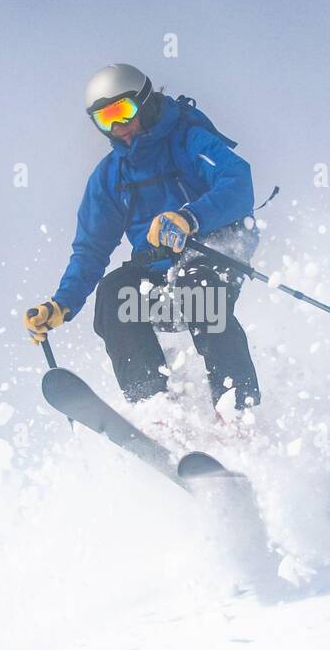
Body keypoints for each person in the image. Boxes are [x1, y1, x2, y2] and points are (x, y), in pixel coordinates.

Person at [24, 62, 262, 410]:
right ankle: (156, 409)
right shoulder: (110, 176)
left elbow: (238, 181)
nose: (118, 126)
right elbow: (91, 249)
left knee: (199, 293)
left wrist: (189, 218)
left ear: (146, 102)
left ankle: (237, 409)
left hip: (213, 253)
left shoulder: (187, 140)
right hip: (159, 273)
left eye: (123, 111)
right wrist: (62, 303)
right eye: (105, 119)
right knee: (114, 295)